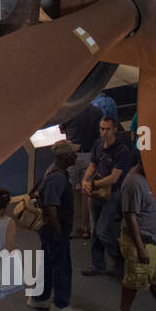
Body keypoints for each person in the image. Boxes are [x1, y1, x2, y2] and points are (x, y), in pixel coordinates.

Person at [26, 140, 85, 311]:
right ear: (65, 156)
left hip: (49, 230)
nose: (76, 155)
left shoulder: (53, 171)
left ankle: (39, 298)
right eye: (73, 153)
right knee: (61, 267)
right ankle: (61, 304)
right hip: (54, 231)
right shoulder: (58, 178)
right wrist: (59, 229)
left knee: (48, 264)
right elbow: (51, 206)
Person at [116, 163, 156, 311]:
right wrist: (140, 249)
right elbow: (130, 217)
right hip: (141, 243)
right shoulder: (134, 183)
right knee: (134, 281)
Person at [82, 115, 131, 277]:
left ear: (115, 129)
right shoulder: (97, 144)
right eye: (102, 129)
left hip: (112, 194)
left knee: (102, 230)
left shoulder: (122, 151)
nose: (104, 132)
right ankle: (98, 265)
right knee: (95, 229)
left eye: (107, 129)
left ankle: (119, 258)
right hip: (96, 193)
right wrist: (85, 180)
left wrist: (93, 183)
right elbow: (93, 165)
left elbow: (114, 177)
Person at [61, 101, 103, 237]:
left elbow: (62, 129)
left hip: (73, 155)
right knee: (87, 192)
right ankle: (86, 227)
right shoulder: (97, 112)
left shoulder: (70, 112)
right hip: (91, 155)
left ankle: (69, 225)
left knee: (69, 190)